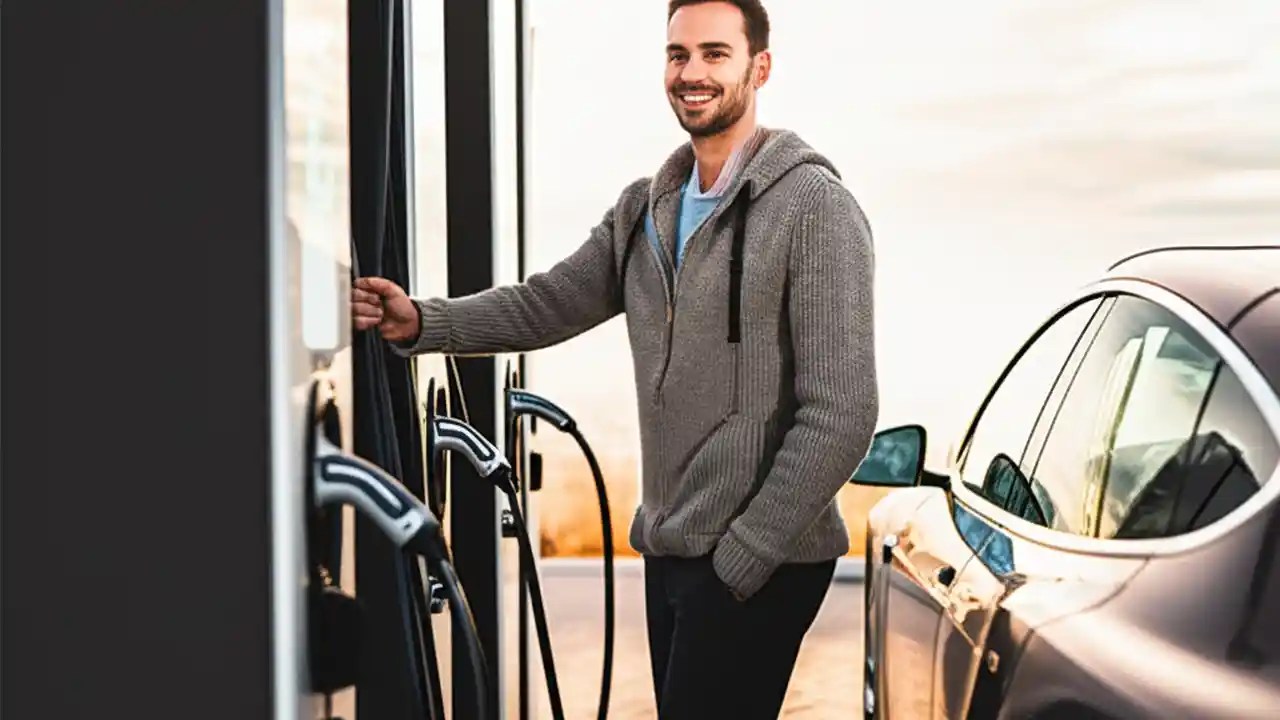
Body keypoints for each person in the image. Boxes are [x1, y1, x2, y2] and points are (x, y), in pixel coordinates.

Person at [352, 0, 878, 715]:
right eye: (678, 54)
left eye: (714, 54)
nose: (691, 73)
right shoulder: (645, 212)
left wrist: (746, 554)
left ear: (760, 67)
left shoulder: (814, 207)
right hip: (672, 551)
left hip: (760, 561)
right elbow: (547, 304)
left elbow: (843, 411)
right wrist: (423, 321)